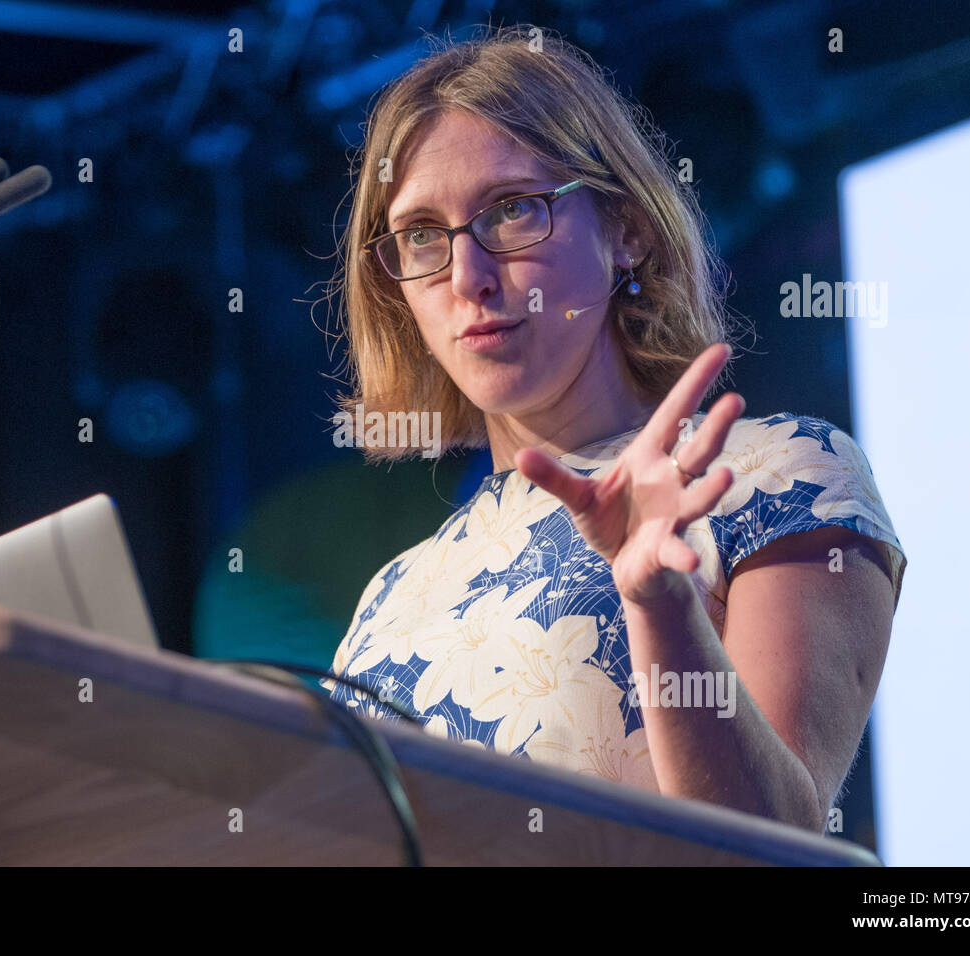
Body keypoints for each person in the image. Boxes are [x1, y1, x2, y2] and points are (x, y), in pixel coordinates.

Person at [319, 25, 905, 833]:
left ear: (626, 228)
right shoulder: (388, 598)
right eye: (422, 233)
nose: (468, 276)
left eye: (513, 210)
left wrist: (659, 602)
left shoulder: (776, 472)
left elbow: (772, 850)